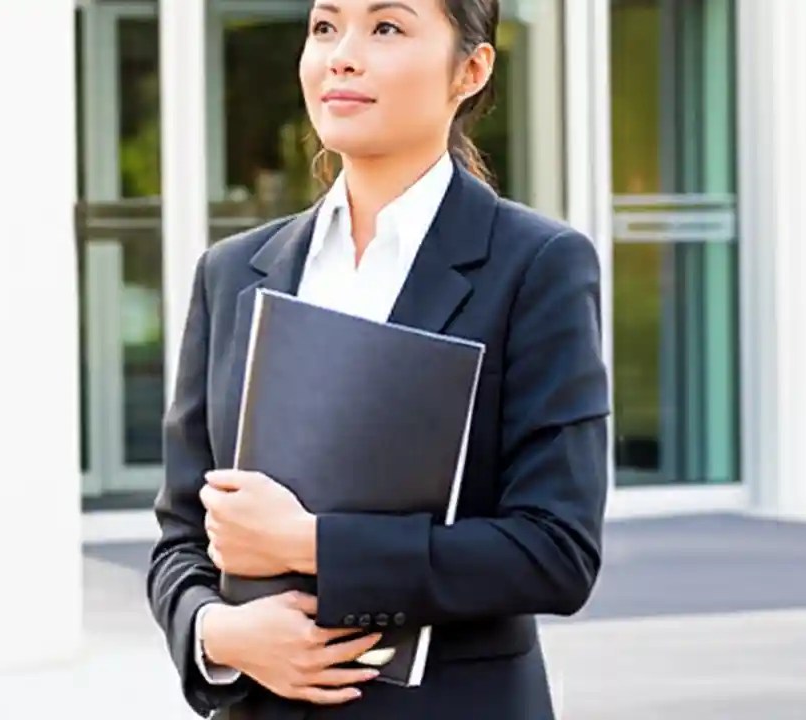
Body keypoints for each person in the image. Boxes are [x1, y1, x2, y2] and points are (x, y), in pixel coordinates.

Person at [147, 0, 609, 717]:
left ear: (471, 69)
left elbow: (556, 551)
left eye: (387, 27)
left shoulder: (536, 266)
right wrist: (220, 632)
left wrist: (312, 544)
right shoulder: (234, 272)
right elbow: (183, 537)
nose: (343, 55)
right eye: (325, 27)